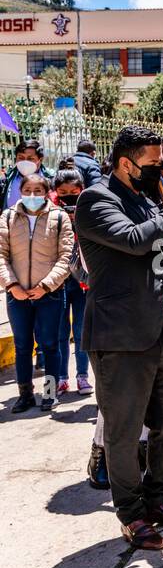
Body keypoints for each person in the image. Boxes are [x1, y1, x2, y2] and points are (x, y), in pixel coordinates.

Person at [77, 126, 163, 549]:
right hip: (120, 336)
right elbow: (135, 243)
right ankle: (131, 514)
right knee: (123, 429)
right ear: (125, 163)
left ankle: (157, 499)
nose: (159, 169)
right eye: (152, 164)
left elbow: (161, 261)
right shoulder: (96, 200)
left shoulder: (149, 198)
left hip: (162, 332)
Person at [2, 172, 74, 412]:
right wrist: (12, 286)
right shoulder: (8, 217)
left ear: (46, 192)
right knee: (23, 346)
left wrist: (45, 285)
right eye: (27, 190)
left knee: (51, 344)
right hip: (17, 294)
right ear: (21, 191)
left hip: (50, 294)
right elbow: (1, 255)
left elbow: (66, 257)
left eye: (38, 190)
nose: (32, 195)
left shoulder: (60, 217)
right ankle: (25, 394)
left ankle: (50, 393)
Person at [51, 169, 92, 395]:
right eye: (63, 193)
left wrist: (79, 221)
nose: (68, 197)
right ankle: (60, 378)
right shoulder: (48, 213)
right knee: (60, 331)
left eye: (73, 192)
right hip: (57, 279)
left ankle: (83, 376)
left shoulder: (89, 210)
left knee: (81, 330)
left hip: (83, 280)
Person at [3, 140, 52, 210]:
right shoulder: (6, 179)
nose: (25, 161)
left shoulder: (50, 179)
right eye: (21, 158)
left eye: (30, 158)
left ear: (40, 160)